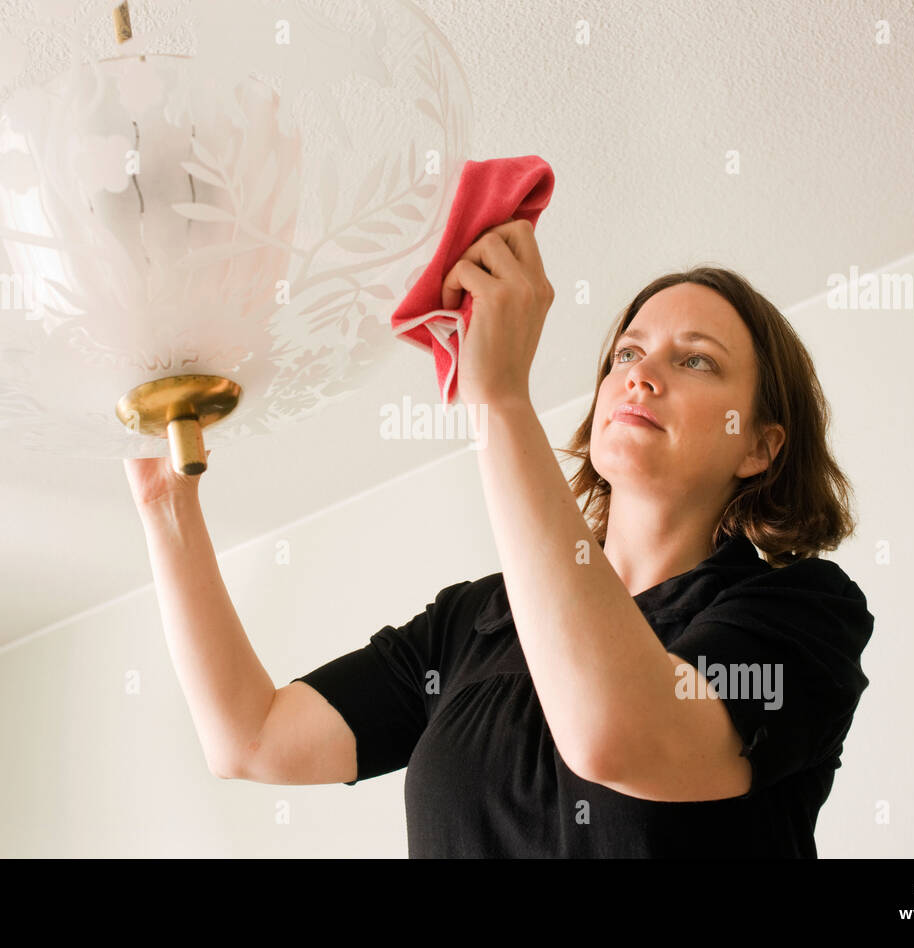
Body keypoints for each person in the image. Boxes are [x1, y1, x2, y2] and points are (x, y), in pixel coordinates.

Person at [125, 250, 874, 858]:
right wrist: (167, 505)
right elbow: (250, 738)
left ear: (761, 446)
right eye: (627, 352)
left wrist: (499, 400)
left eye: (697, 362)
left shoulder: (806, 613)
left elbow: (616, 735)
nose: (642, 374)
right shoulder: (477, 621)